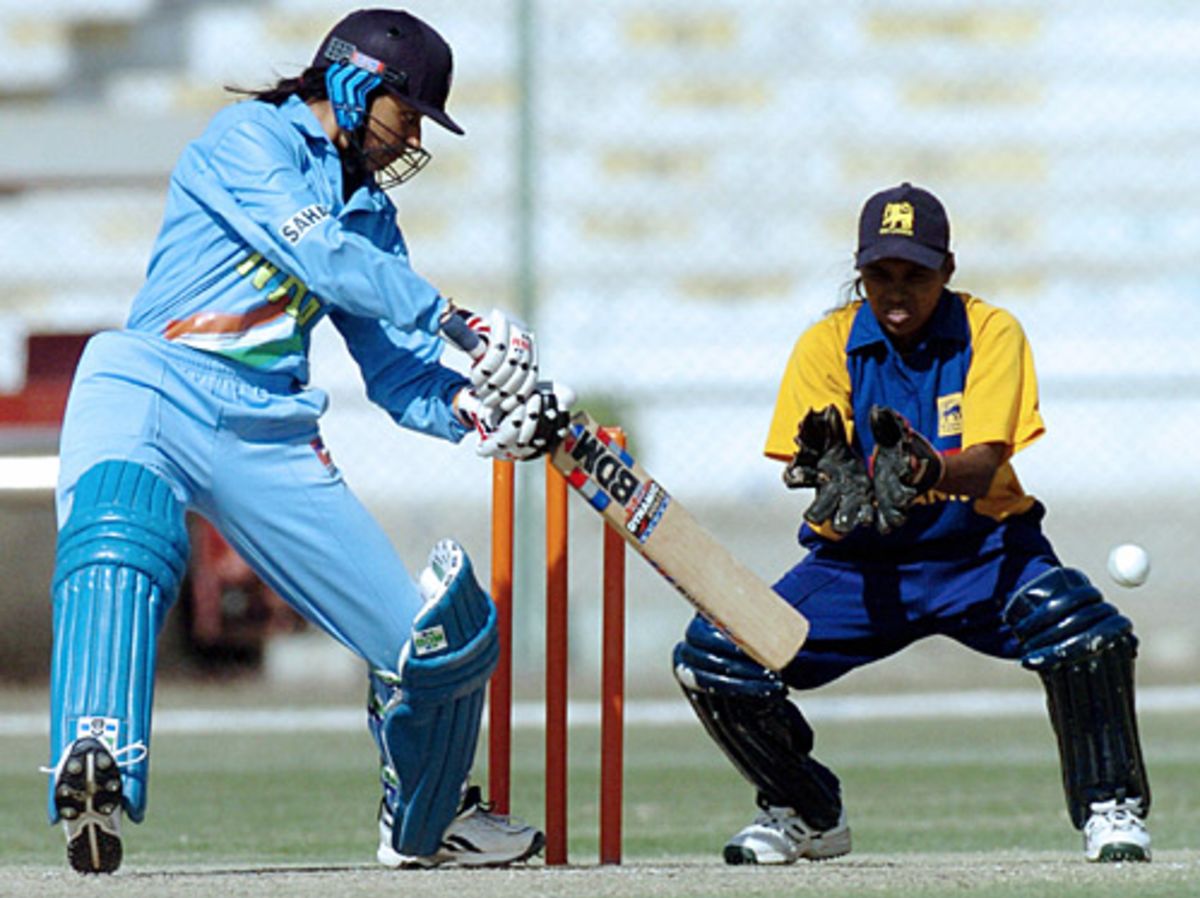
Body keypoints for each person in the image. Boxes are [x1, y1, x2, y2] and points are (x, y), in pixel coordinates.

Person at [43, 8, 570, 875]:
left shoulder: (373, 216)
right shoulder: (249, 138)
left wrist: (483, 414)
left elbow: (399, 376)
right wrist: (455, 319)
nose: (412, 140)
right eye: (409, 113)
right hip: (153, 384)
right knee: (122, 535)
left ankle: (429, 819)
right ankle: (93, 755)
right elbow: (320, 256)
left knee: (430, 652)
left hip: (269, 432)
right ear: (358, 84)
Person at [671, 182, 1152, 865]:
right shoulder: (827, 343)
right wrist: (835, 477)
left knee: (1084, 632)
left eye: (916, 275)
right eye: (880, 275)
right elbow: (814, 460)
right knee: (716, 655)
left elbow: (984, 464)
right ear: (860, 271)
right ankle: (806, 812)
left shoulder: (991, 331)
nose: (896, 292)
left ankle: (1111, 807)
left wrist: (925, 471)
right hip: (859, 568)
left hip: (984, 553)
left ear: (947, 269)